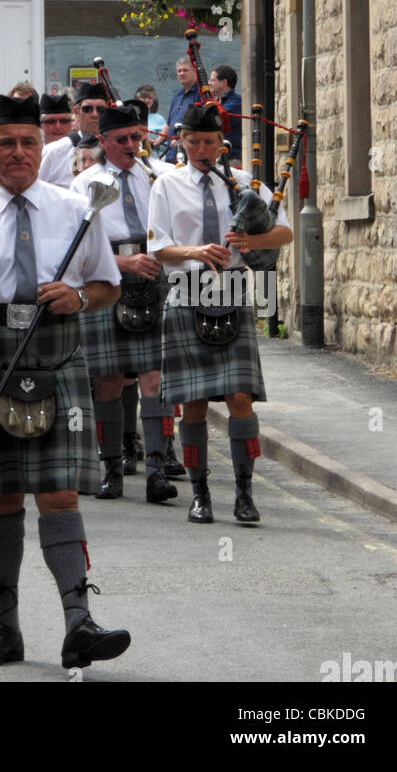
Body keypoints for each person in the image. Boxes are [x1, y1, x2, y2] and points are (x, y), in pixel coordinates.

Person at [0, 93, 130, 671]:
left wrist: (79, 296)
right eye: (7, 144)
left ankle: (78, 623)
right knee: (3, 495)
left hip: (55, 355)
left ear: (43, 151)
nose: (18, 153)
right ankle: (5, 627)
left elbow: (108, 285)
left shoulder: (76, 209)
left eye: (29, 144)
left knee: (59, 493)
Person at [148, 102, 292, 525]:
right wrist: (195, 250)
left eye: (210, 142)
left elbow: (282, 231)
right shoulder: (166, 186)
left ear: (220, 143)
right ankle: (200, 494)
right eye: (194, 141)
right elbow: (156, 248)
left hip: (230, 288)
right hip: (186, 290)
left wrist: (254, 240)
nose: (202, 149)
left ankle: (245, 495)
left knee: (240, 398)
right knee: (192, 402)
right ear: (181, 141)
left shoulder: (243, 183)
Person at [72, 105, 177, 505]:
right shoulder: (85, 184)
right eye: (122, 140)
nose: (132, 146)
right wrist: (123, 262)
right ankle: (112, 470)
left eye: (137, 138)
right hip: (107, 275)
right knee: (108, 380)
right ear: (103, 142)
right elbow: (78, 247)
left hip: (153, 273)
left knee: (154, 377)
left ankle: (155, 472)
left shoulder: (161, 176)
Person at [159, 56, 200, 162]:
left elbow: (201, 124)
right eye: (179, 71)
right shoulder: (177, 96)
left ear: (194, 72)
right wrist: (157, 141)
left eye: (185, 70)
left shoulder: (201, 95)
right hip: (171, 153)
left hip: (189, 155)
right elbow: (169, 124)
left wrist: (182, 139)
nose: (182, 73)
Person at [209, 64, 243, 163]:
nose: (209, 83)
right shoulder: (215, 101)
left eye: (212, 80)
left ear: (224, 82)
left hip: (230, 158)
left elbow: (216, 121)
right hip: (216, 157)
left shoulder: (237, 102)